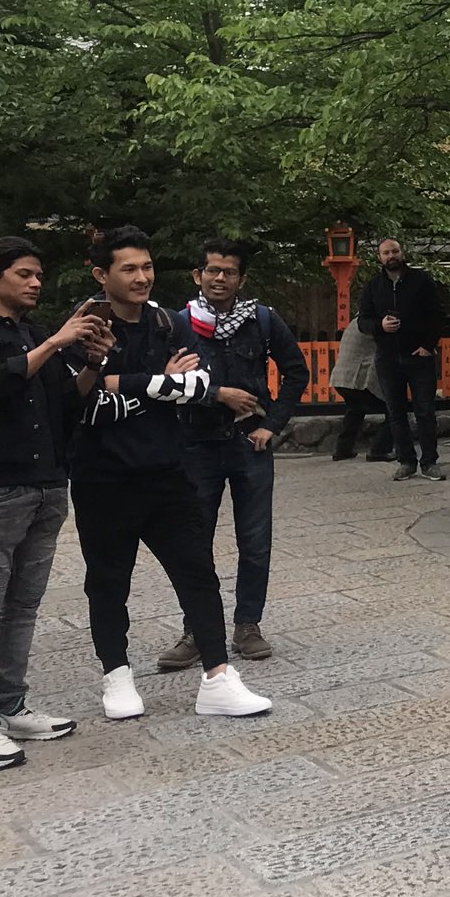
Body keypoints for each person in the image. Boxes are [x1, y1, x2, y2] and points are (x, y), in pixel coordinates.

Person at [67, 226, 272, 721]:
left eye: (147, 267)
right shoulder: (84, 324)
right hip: (103, 479)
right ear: (101, 274)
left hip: (168, 472)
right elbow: (87, 405)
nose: (142, 277)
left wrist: (128, 384)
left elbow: (199, 385)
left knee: (198, 573)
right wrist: (163, 383)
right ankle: (116, 676)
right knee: (109, 582)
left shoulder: (166, 321)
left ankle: (218, 676)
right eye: (129, 269)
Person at [159, 239, 310, 672]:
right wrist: (217, 394)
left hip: (250, 443)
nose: (219, 278)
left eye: (228, 272)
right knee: (194, 542)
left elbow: (297, 372)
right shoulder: (178, 324)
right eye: (212, 270)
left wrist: (272, 424)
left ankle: (248, 624)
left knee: (255, 540)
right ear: (198, 275)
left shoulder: (262, 320)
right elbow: (165, 382)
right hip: (196, 445)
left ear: (241, 279)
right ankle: (196, 631)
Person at [0, 237, 106, 766]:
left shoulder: (34, 335)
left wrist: (93, 364)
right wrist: (57, 342)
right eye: (25, 274)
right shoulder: (34, 339)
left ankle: (10, 705)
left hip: (48, 484)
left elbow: (66, 402)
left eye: (39, 274)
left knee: (23, 605)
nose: (36, 283)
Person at [357, 237, 447, 482]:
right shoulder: (374, 286)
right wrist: (380, 325)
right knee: (395, 413)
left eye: (394, 251)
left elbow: (437, 314)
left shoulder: (421, 280)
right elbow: (363, 321)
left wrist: (428, 345)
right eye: (386, 253)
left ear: (402, 253)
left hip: (419, 356)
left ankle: (430, 461)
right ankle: (406, 461)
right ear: (380, 257)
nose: (391, 256)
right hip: (387, 357)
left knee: (425, 411)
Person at [328, 315, 393, 462]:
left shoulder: (355, 321)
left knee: (355, 410)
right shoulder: (375, 323)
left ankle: (342, 449)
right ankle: (379, 450)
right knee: (395, 411)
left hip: (341, 378)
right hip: (358, 379)